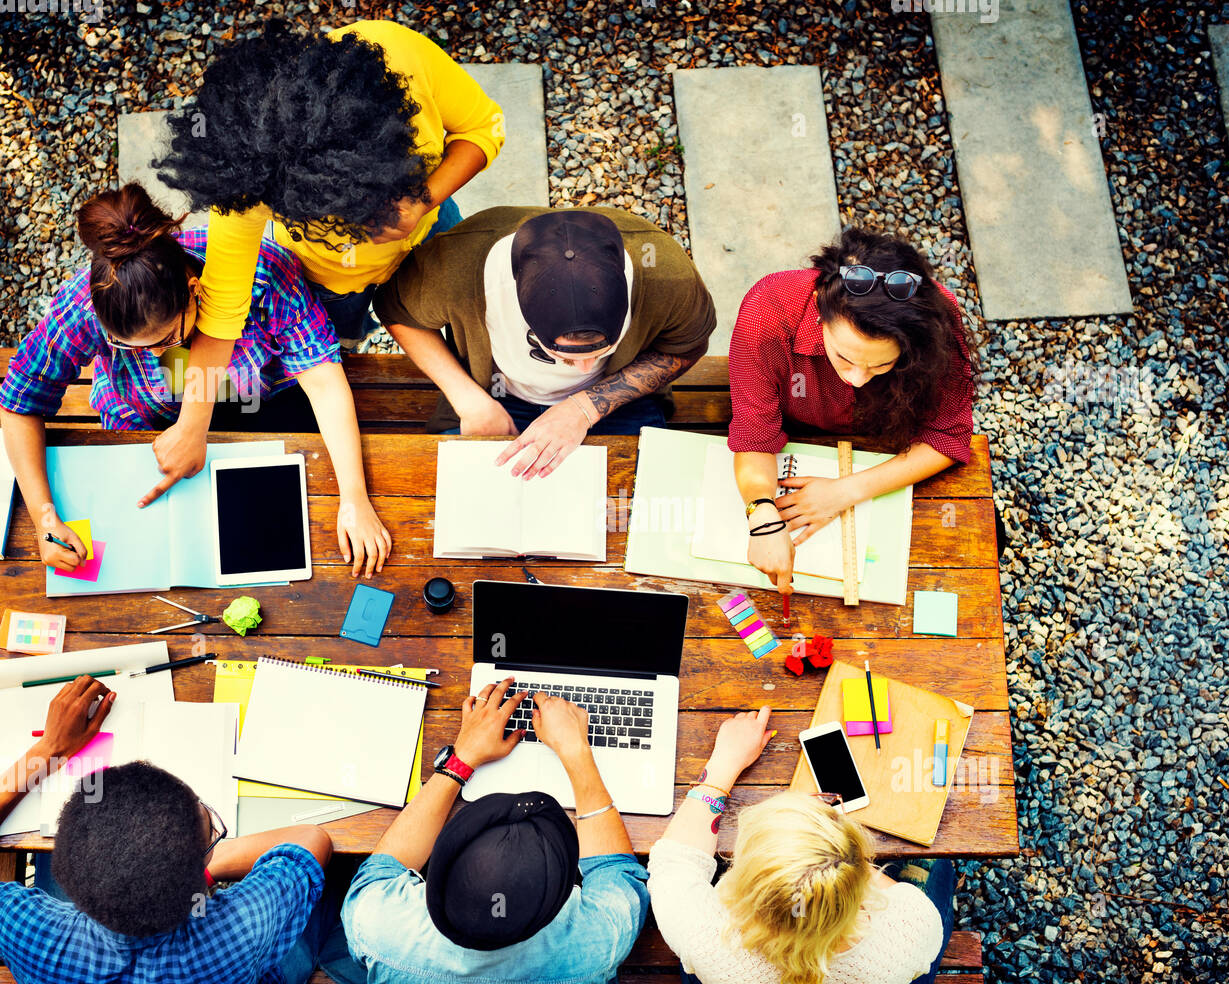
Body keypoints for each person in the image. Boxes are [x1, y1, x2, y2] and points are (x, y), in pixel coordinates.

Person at [145, 17, 504, 502]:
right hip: (331, 286)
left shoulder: (399, 55)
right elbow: (223, 309)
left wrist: (424, 199)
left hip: (429, 236)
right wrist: (193, 424)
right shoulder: (248, 178)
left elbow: (485, 127)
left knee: (470, 335)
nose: (349, 235)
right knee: (342, 344)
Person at [0, 183, 392, 578]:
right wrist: (44, 517)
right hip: (149, 420)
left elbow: (322, 378)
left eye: (168, 339)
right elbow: (19, 400)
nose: (153, 355)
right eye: (123, 345)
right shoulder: (84, 303)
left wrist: (355, 498)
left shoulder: (262, 270)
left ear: (195, 291)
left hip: (264, 401)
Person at [0, 676, 334, 984]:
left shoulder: (28, 930)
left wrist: (48, 748)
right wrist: (203, 870)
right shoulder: (239, 932)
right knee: (322, 900)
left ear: (67, 865)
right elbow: (311, 841)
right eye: (209, 831)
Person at [328, 677, 649, 984]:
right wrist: (576, 752)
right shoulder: (594, 944)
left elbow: (383, 866)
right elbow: (617, 873)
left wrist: (461, 760)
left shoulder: (378, 923)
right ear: (564, 894)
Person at [646, 706, 954, 984]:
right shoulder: (910, 933)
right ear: (858, 887)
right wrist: (837, 859)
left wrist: (724, 762)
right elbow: (915, 924)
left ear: (745, 880)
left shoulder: (705, 934)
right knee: (941, 865)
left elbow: (674, 863)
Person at [372, 205, 717, 479]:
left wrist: (585, 406)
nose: (585, 368)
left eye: (602, 352)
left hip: (616, 401)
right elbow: (397, 310)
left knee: (644, 517)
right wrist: (468, 400)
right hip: (497, 398)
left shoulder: (665, 272)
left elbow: (686, 346)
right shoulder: (456, 267)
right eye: (566, 358)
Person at [729, 227, 978, 592]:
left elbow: (949, 436)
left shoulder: (936, 321)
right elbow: (755, 434)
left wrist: (844, 492)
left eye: (880, 365)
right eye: (844, 357)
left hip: (887, 442)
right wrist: (763, 515)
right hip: (799, 429)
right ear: (818, 307)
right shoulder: (767, 309)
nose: (858, 379)